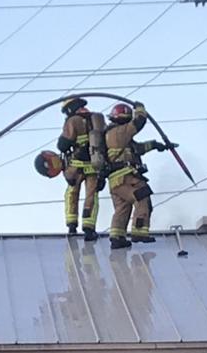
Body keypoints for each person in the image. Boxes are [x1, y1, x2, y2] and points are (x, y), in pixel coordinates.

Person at [102, 102, 173, 250]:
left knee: (123, 208)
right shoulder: (121, 132)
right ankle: (139, 232)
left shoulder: (114, 136)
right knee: (142, 197)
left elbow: (137, 149)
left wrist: (155, 145)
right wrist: (140, 108)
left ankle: (117, 237)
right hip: (126, 178)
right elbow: (139, 122)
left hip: (116, 182)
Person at [57, 98, 101, 242]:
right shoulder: (96, 120)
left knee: (71, 194)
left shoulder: (73, 120)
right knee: (91, 196)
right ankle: (89, 228)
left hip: (76, 165)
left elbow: (63, 144)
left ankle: (71, 225)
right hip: (94, 165)